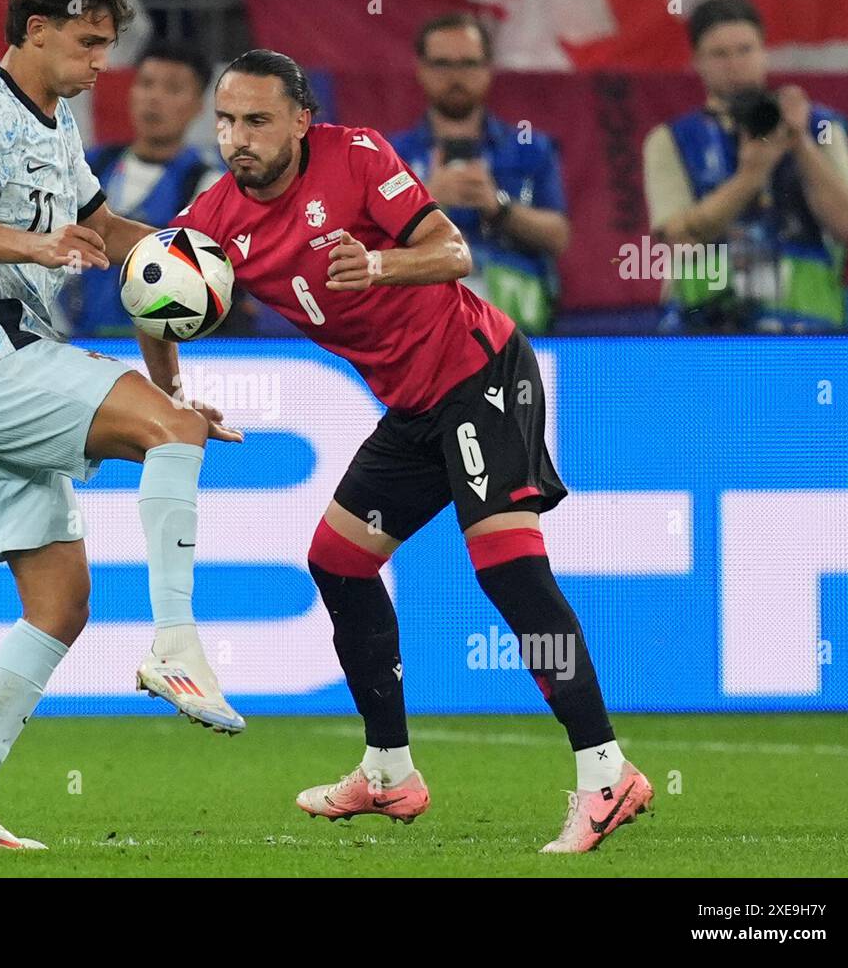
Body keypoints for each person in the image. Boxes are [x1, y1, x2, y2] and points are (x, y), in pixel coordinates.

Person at [159, 49, 652, 853]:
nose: (236, 137)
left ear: (299, 121)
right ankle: (389, 772)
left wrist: (379, 263)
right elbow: (155, 286)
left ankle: (606, 771)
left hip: (480, 374)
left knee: (511, 572)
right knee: (337, 560)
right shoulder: (213, 219)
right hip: (414, 408)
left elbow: (454, 253)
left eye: (256, 120)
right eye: (225, 120)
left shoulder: (357, 158)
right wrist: (174, 388)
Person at [0, 0, 243, 853]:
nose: (104, 65)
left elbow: (115, 238)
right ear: (36, 29)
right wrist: (43, 248)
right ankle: (174, 643)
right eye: (91, 44)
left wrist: (193, 252)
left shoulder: (55, 124)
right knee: (168, 433)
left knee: (57, 604)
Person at [643, 0, 848, 332]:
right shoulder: (669, 140)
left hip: (808, 328)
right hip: (703, 328)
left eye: (745, 50)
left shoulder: (821, 128)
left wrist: (799, 142)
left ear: (765, 54)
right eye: (719, 54)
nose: (734, 63)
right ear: (697, 61)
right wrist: (751, 175)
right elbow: (679, 238)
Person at [391, 12, 569, 335]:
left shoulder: (532, 148)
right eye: (442, 64)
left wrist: (498, 207)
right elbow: (368, 245)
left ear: (488, 70)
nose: (456, 76)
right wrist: (427, 203)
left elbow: (558, 236)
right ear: (421, 70)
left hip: (516, 321)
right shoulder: (390, 155)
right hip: (424, 321)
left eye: (469, 64)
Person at [68, 39, 221, 336]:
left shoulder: (207, 186)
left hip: (162, 348)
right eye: (146, 84)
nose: (154, 98)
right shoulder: (86, 166)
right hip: (78, 346)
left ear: (199, 106)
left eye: (173, 89)